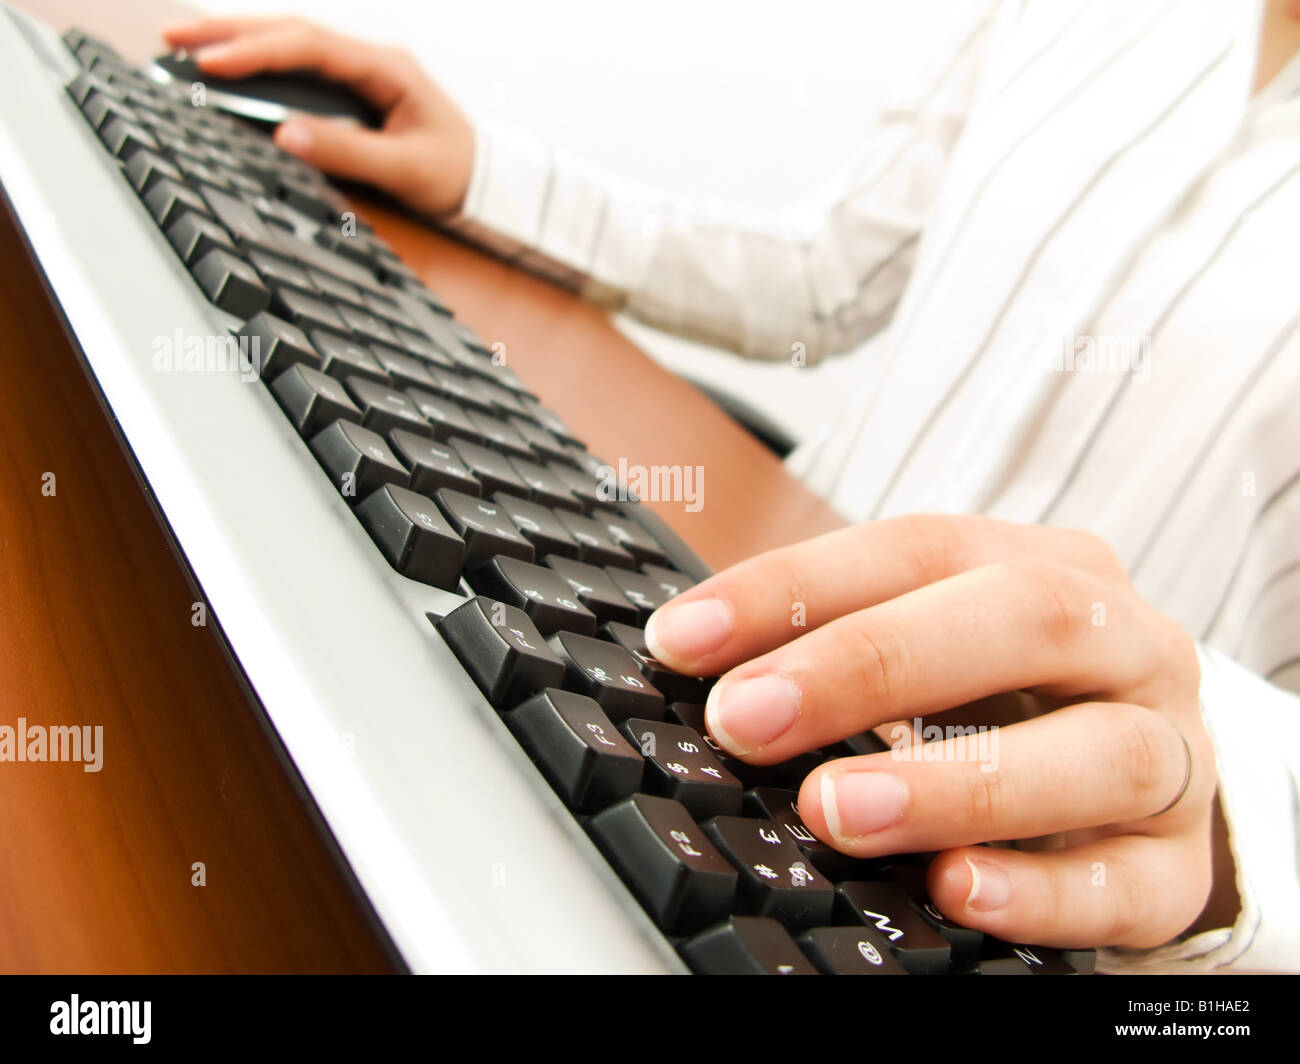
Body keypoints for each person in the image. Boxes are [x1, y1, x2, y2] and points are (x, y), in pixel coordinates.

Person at [162, 0, 1300, 973]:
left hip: (1022, 865)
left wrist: (1220, 813)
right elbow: (824, 274)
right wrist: (487, 173)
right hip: (729, 639)